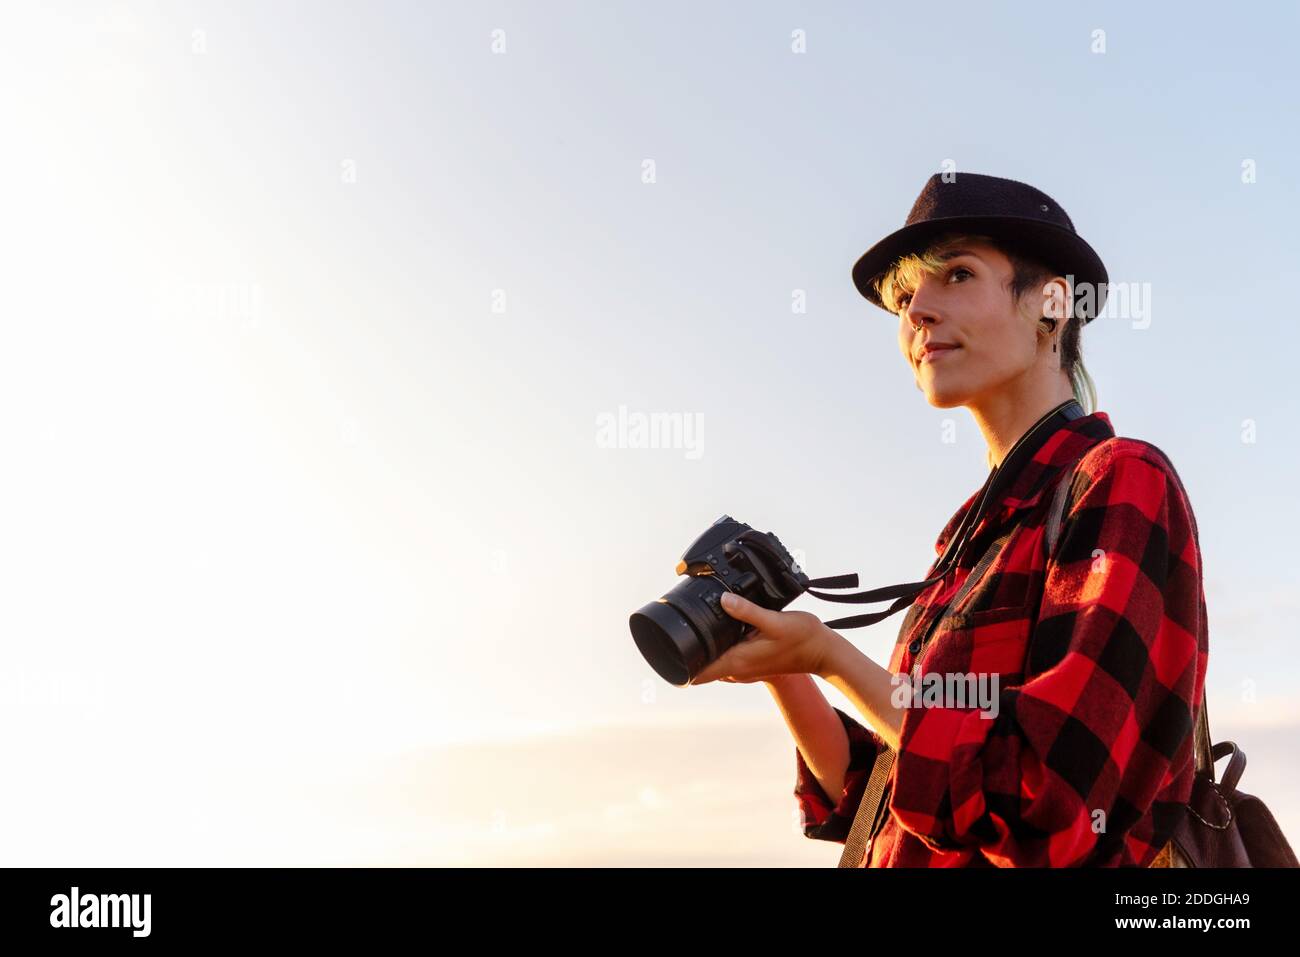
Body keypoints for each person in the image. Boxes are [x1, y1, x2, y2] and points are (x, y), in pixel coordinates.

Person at [688, 172, 1208, 867]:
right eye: (904, 298)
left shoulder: (1119, 481)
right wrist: (782, 660)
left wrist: (829, 654)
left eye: (956, 275)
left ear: (1052, 304)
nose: (917, 313)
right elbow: (877, 791)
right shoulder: (969, 535)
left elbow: (1050, 798)